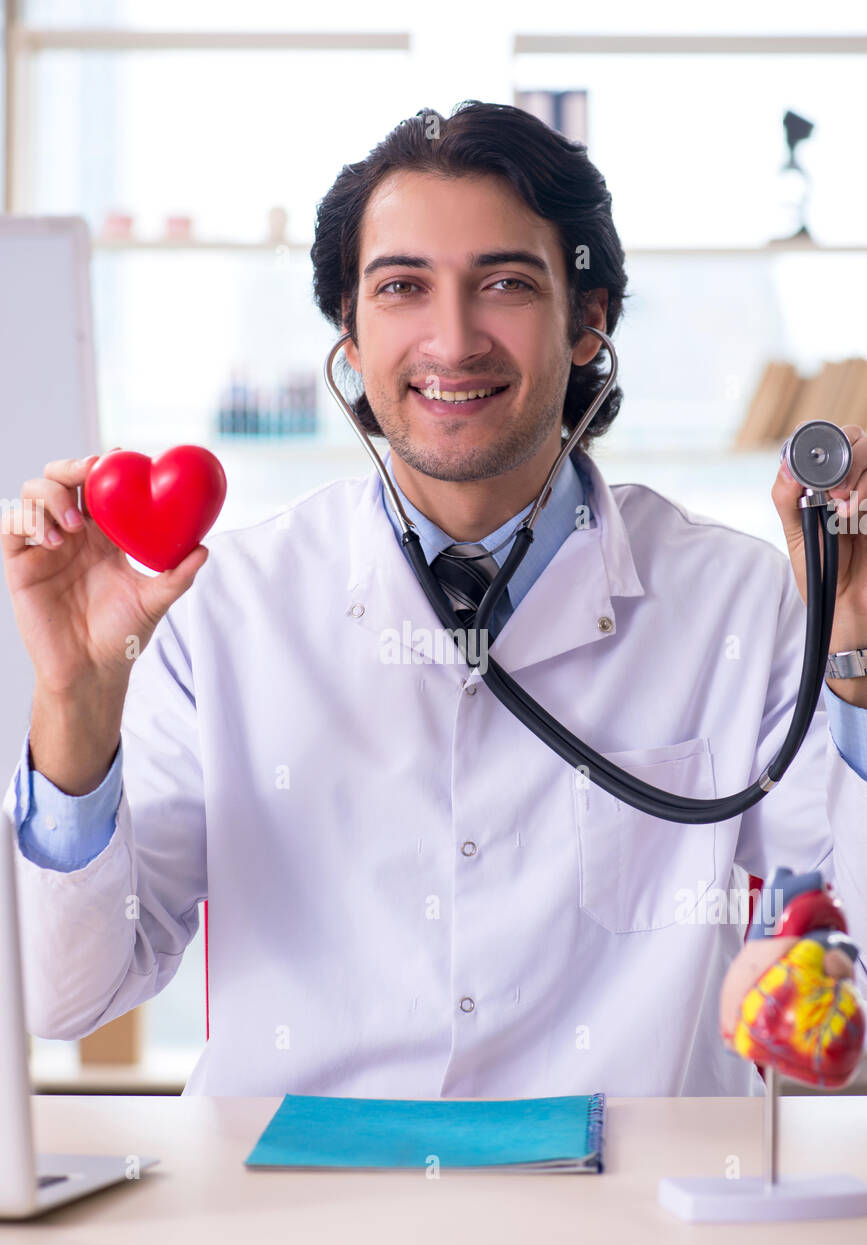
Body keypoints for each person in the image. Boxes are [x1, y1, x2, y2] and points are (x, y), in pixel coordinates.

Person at [3, 100, 867, 1099]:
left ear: (587, 324)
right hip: (286, 1220)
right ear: (351, 336)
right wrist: (73, 695)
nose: (452, 342)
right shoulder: (227, 606)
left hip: (626, 1225)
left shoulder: (736, 603)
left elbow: (850, 945)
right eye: (403, 287)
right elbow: (63, 995)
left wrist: (853, 650)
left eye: (503, 282)